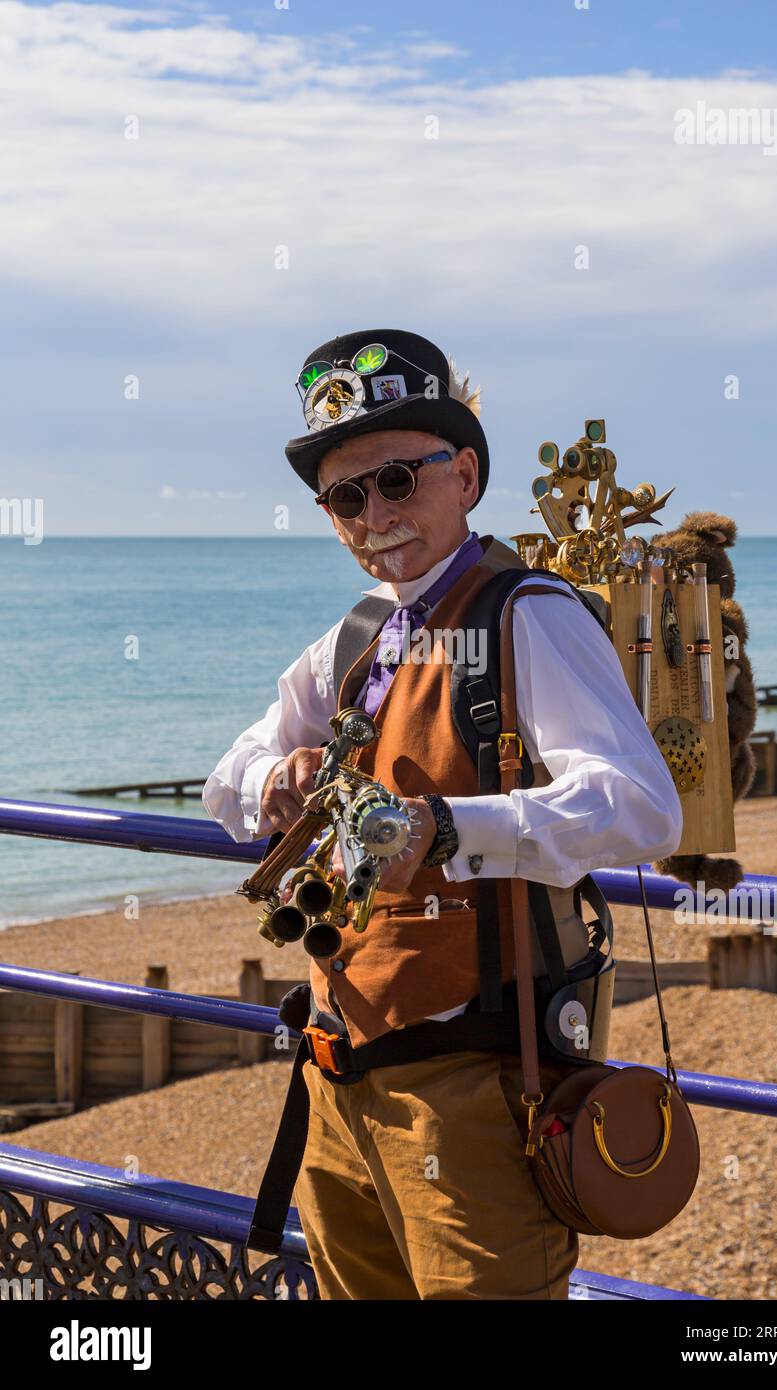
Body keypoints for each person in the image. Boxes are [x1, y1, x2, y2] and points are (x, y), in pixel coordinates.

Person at [203, 328, 683, 1300]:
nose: (372, 512)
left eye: (396, 479)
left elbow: (641, 806)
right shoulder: (350, 638)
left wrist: (453, 830)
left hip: (474, 1093)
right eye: (344, 495)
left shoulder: (526, 613)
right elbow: (225, 783)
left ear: (462, 473)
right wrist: (277, 781)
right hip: (334, 1078)